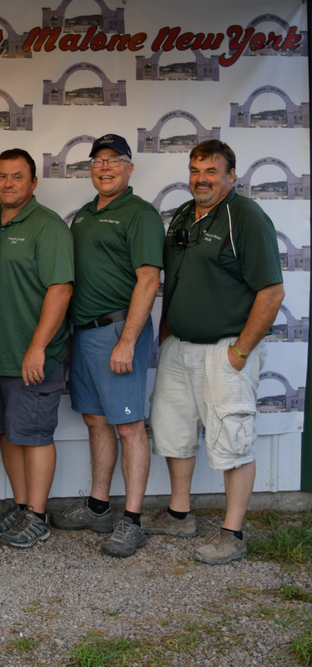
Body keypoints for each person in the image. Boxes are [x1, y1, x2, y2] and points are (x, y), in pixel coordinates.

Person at [146, 140, 284, 565]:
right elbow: (176, 282)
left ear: (231, 176)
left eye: (210, 172)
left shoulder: (246, 217)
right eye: (195, 170)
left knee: (232, 438)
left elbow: (272, 291)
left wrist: (241, 351)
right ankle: (180, 513)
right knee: (174, 432)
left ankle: (233, 531)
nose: (201, 179)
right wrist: (167, 335)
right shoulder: (186, 214)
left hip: (225, 349)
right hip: (180, 347)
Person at [51, 134, 164, 558]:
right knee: (96, 421)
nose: (105, 167)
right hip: (84, 334)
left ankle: (131, 520)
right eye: (98, 160)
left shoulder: (141, 214)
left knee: (130, 426)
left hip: (119, 332)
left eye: (114, 160)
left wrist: (128, 342)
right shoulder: (83, 215)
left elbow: (149, 280)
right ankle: (99, 506)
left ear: (129, 167)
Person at [0, 149, 73, 549]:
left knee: (34, 435)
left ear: (33, 183)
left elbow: (61, 288)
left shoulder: (48, 227)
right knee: (8, 434)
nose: (8, 184)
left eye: (17, 177)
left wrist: (38, 348)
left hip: (31, 357)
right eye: (1, 176)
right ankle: (20, 507)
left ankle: (37, 515)